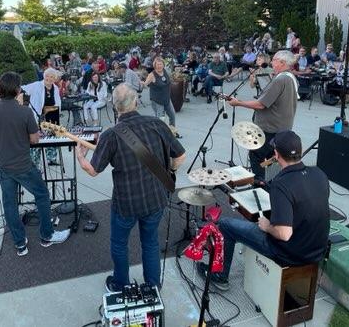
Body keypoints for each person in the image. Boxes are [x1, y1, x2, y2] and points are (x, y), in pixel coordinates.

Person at [75, 84, 186, 291]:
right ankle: (152, 286)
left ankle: (120, 284)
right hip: (156, 198)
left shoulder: (111, 135)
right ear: (135, 102)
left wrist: (80, 156)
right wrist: (168, 169)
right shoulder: (158, 124)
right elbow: (180, 156)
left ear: (115, 107)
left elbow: (92, 170)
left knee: (119, 244)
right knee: (150, 243)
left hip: (126, 203)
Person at [197, 131, 330, 290]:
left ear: (276, 154)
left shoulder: (282, 184)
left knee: (226, 225)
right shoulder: (319, 173)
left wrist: (266, 226)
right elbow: (304, 203)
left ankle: (220, 276)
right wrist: (268, 188)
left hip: (290, 253)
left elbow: (284, 234)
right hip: (316, 250)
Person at [0, 72, 70, 256]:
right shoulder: (24, 111)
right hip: (23, 165)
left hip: (2, 166)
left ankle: (20, 244)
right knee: (42, 195)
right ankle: (47, 236)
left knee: (10, 204)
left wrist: (2, 140)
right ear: (16, 90)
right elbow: (35, 140)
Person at [227, 50, 298, 185]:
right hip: (283, 128)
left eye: (274, 60)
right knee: (273, 159)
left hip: (270, 129)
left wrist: (238, 103)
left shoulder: (281, 79)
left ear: (282, 63)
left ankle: (260, 185)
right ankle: (272, 184)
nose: (271, 62)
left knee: (256, 155)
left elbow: (261, 104)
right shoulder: (290, 77)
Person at [22, 68, 63, 165]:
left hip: (51, 114)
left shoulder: (55, 88)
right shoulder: (36, 85)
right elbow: (23, 88)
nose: (49, 78)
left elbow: (58, 102)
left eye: (52, 76)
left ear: (55, 78)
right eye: (47, 76)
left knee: (52, 137)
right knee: (36, 138)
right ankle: (35, 162)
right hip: (37, 115)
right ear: (44, 76)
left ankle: (51, 158)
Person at [145, 57, 178, 133]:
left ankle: (173, 132)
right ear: (155, 65)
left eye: (161, 64)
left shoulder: (165, 71)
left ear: (163, 65)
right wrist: (142, 84)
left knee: (172, 115)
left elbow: (170, 79)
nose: (159, 66)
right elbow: (146, 83)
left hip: (166, 99)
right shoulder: (152, 75)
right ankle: (160, 135)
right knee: (161, 119)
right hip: (157, 101)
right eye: (157, 64)